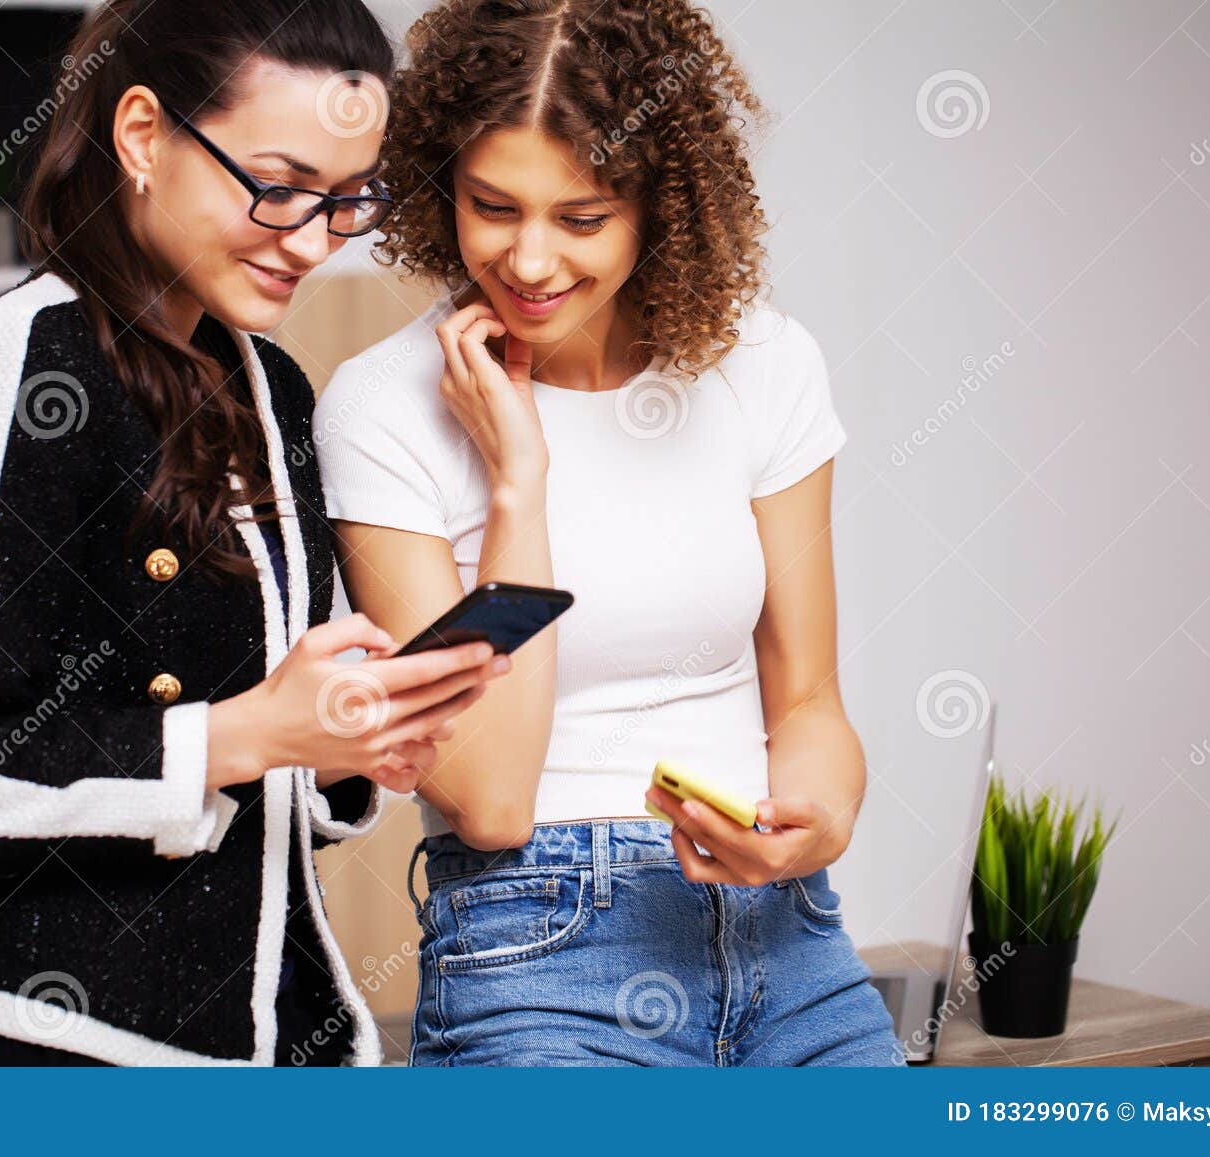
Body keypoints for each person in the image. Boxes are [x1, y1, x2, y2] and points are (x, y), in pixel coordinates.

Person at [0, 0, 508, 1067]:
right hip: (53, 1039)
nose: (311, 241)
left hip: (274, 1029)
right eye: (277, 186)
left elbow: (269, 776)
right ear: (140, 136)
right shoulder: (25, 363)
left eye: (347, 201)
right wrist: (251, 730)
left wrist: (353, 741)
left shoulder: (276, 390)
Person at [314, 0, 905, 1066]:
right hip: (540, 947)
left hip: (792, 940)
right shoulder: (383, 407)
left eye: (580, 219)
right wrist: (519, 481)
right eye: (492, 206)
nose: (529, 261)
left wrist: (815, 817)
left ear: (658, 207)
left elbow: (809, 702)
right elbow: (488, 796)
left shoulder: (763, 365)